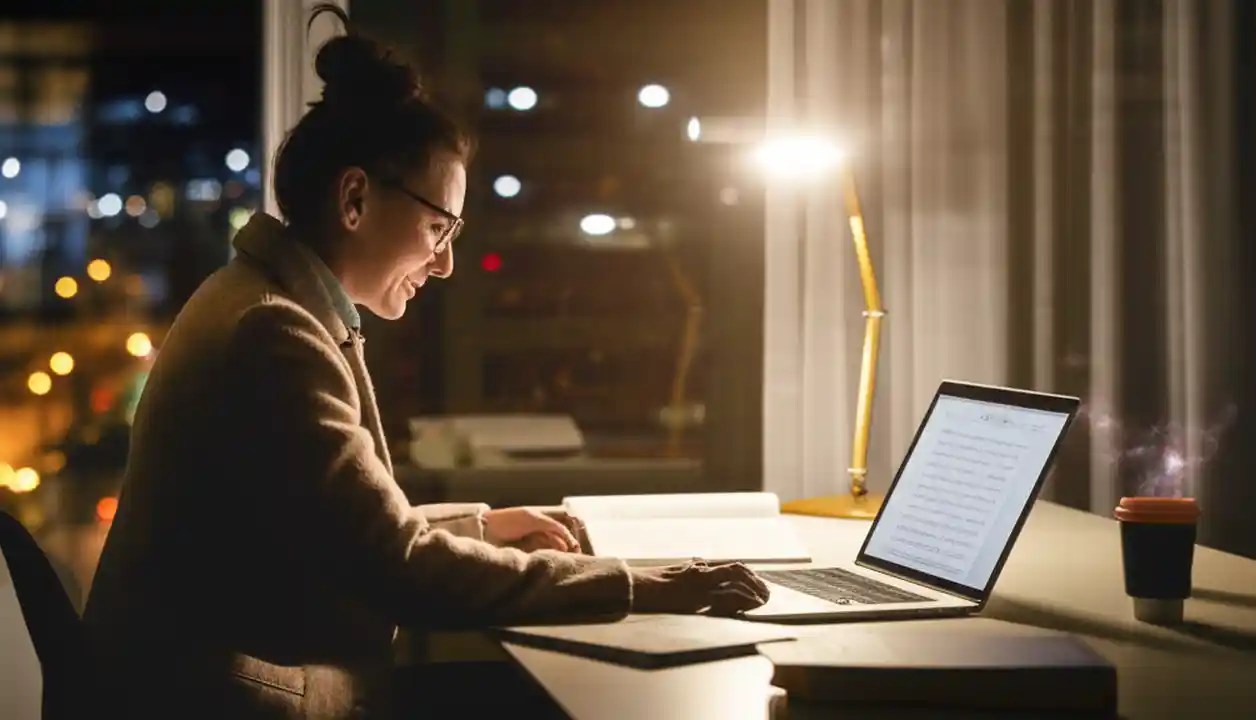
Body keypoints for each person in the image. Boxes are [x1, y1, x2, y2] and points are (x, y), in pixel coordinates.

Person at [82, 6, 767, 719]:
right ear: (355, 198)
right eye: (439, 228)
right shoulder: (274, 334)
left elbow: (345, 535)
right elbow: (393, 567)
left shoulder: (263, 301)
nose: (444, 264)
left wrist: (479, 527)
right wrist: (635, 584)